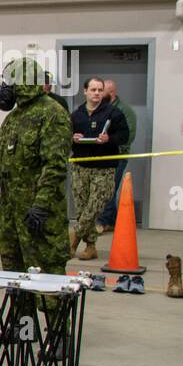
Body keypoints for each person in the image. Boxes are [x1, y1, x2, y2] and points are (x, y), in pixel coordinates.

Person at [0, 57, 72, 276]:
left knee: (46, 278)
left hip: (38, 215)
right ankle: (21, 312)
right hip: (10, 214)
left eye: (8, 82)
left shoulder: (52, 113)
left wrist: (40, 205)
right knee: (14, 276)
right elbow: (1, 158)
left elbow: (55, 166)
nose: (3, 88)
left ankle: (52, 311)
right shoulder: (13, 118)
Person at [69, 76, 129, 261]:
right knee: (81, 208)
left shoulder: (113, 113)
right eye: (93, 90)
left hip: (103, 168)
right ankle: (91, 246)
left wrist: (109, 139)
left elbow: (124, 136)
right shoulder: (76, 115)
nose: (96, 93)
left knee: (93, 207)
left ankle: (72, 239)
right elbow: (64, 136)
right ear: (85, 91)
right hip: (80, 166)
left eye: (99, 90)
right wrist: (72, 137)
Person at [97, 79, 138, 233]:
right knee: (106, 187)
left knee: (109, 188)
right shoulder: (101, 109)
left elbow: (129, 136)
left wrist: (110, 142)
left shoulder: (125, 111)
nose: (98, 93)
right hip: (102, 155)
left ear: (112, 92)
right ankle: (112, 221)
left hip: (118, 156)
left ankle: (103, 221)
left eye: (102, 90)